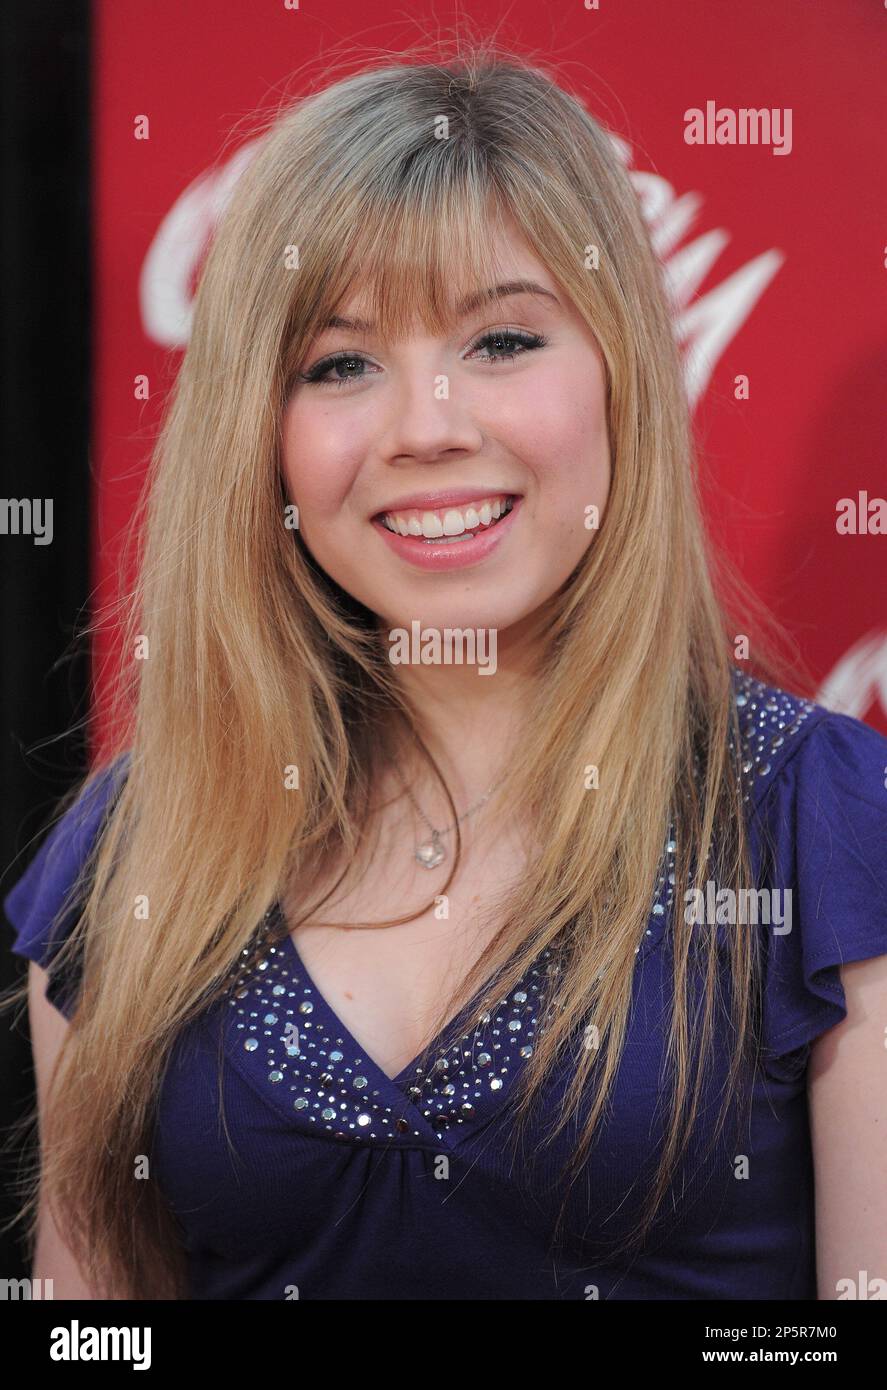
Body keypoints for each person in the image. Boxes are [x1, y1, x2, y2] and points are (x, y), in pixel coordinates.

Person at [3, 42, 887, 1302]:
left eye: (502, 338)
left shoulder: (823, 825)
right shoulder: (130, 852)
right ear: (261, 435)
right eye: (341, 364)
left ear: (623, 374)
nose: (426, 426)